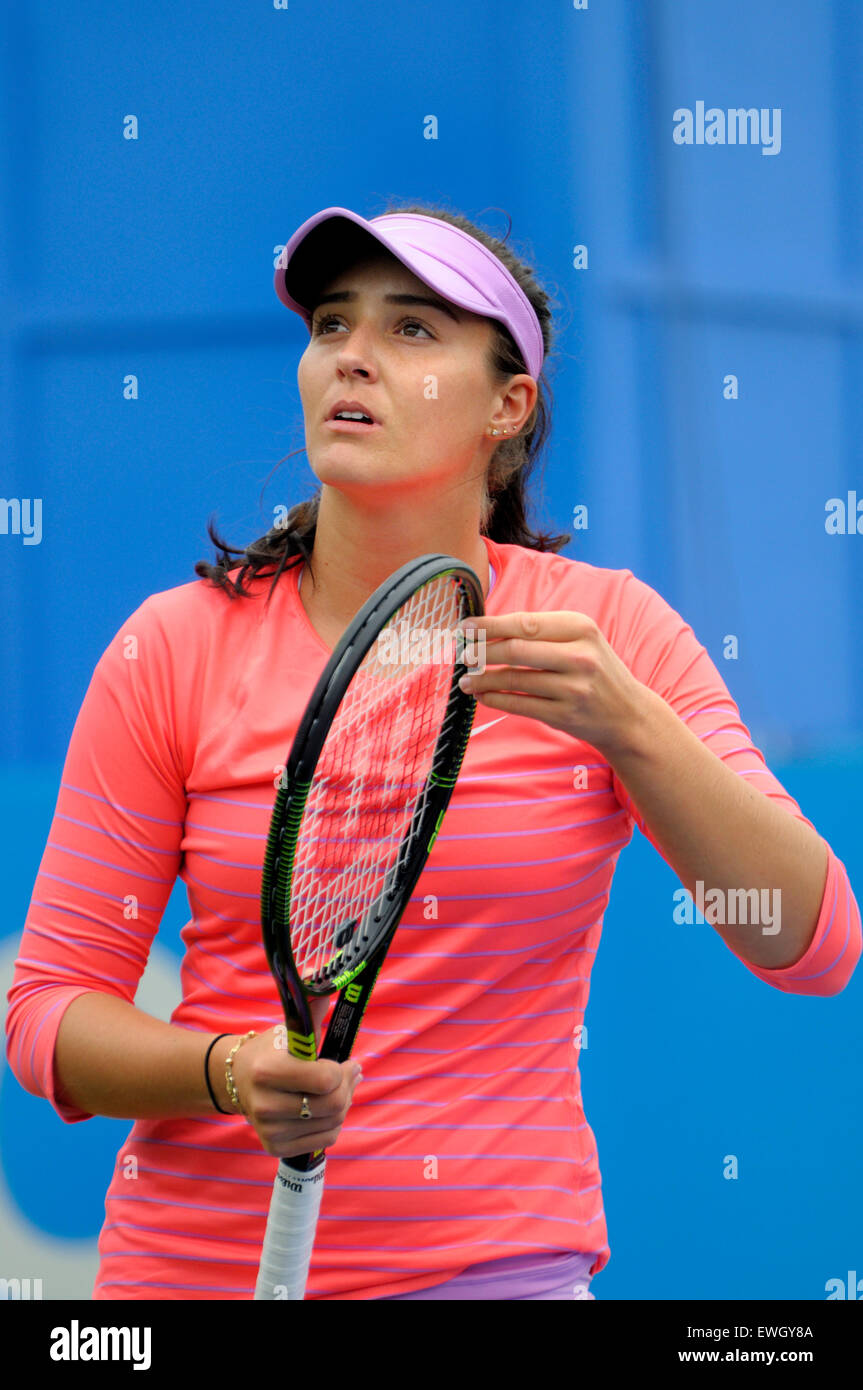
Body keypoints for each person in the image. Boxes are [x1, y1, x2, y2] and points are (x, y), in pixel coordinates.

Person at [6, 202, 860, 1302]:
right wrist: (227, 1071)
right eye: (329, 325)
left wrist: (627, 723)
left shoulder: (611, 635)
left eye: (410, 330)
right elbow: (45, 1015)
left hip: (494, 1271)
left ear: (508, 406)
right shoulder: (169, 648)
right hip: (184, 1280)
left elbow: (812, 941)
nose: (350, 355)